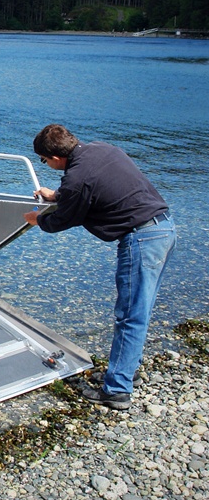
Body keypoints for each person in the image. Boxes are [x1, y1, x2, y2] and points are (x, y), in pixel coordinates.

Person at [23, 124, 175, 410]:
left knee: (130, 316)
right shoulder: (100, 149)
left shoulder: (76, 178)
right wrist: (56, 195)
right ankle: (128, 371)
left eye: (44, 161)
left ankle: (117, 391)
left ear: (54, 157)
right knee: (139, 310)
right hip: (164, 229)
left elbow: (63, 219)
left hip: (141, 239)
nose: (46, 165)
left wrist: (37, 219)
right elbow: (96, 187)